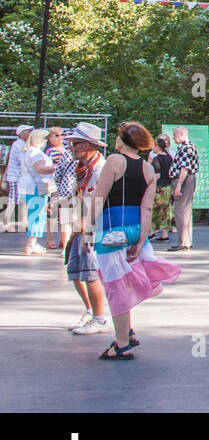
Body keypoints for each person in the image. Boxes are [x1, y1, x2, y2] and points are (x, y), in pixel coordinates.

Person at [82, 121, 182, 361]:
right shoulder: (148, 169)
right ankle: (126, 331)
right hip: (135, 229)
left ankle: (122, 344)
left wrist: (86, 230)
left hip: (112, 228)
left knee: (115, 284)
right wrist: (141, 239)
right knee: (123, 281)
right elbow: (147, 209)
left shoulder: (115, 161)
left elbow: (99, 196)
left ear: (122, 140)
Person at [65, 123, 110, 335]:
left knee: (90, 273)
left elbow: (102, 199)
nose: (71, 146)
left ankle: (100, 319)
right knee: (74, 272)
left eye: (75, 143)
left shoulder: (101, 168)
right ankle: (90, 311)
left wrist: (87, 223)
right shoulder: (82, 168)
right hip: (78, 227)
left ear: (88, 145)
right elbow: (79, 195)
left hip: (93, 229)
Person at [19, 128, 56, 255]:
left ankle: (32, 242)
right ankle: (30, 244)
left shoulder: (28, 151)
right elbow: (40, 168)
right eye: (45, 138)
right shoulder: (35, 152)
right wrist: (55, 168)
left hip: (30, 186)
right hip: (36, 187)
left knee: (35, 214)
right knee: (37, 215)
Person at [46, 125, 78, 249]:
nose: (61, 138)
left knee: (66, 218)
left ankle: (64, 244)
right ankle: (54, 240)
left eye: (62, 135)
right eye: (57, 135)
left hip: (65, 186)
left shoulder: (66, 152)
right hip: (62, 186)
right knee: (58, 215)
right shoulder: (50, 151)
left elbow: (58, 173)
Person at [169, 127, 199, 251]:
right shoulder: (188, 146)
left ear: (181, 134)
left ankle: (182, 241)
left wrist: (178, 186)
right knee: (185, 210)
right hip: (188, 179)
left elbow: (184, 168)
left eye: (174, 135)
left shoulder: (185, 147)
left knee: (180, 210)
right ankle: (186, 240)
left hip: (184, 180)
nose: (173, 137)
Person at [4, 124, 32, 232]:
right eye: (28, 131)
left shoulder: (20, 144)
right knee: (15, 200)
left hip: (17, 177)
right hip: (17, 177)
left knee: (20, 200)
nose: (30, 134)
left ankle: (23, 223)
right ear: (22, 133)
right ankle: (11, 223)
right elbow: (23, 161)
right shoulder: (20, 145)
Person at [148, 135, 176, 242]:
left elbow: (157, 174)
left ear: (158, 146)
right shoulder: (169, 157)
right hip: (168, 186)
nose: (152, 148)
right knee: (166, 209)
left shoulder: (157, 159)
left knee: (154, 208)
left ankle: (151, 232)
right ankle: (164, 233)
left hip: (159, 187)